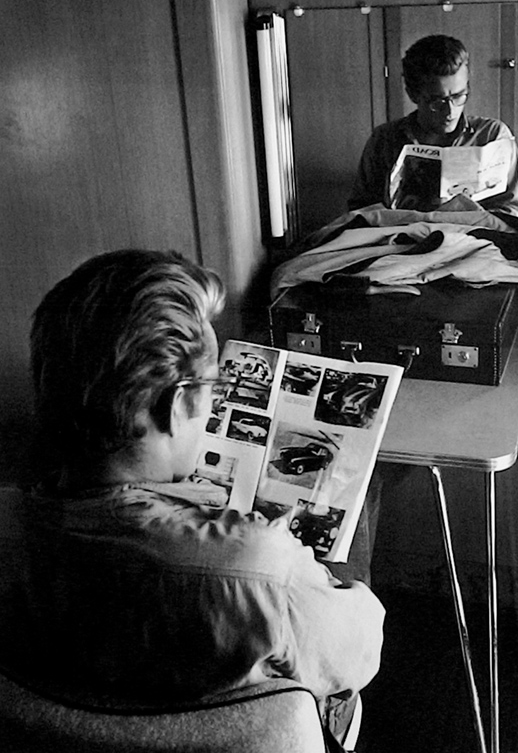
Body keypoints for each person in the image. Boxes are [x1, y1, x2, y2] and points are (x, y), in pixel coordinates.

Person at [0, 249, 384, 745]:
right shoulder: (261, 571)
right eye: (212, 386)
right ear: (180, 404)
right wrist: (295, 562)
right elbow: (360, 651)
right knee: (361, 501)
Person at [348, 34, 518, 231]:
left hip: (474, 246)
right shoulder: (384, 139)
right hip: (402, 247)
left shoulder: (492, 136)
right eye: (437, 101)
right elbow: (361, 212)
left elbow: (511, 212)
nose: (450, 111)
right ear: (413, 94)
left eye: (459, 96)